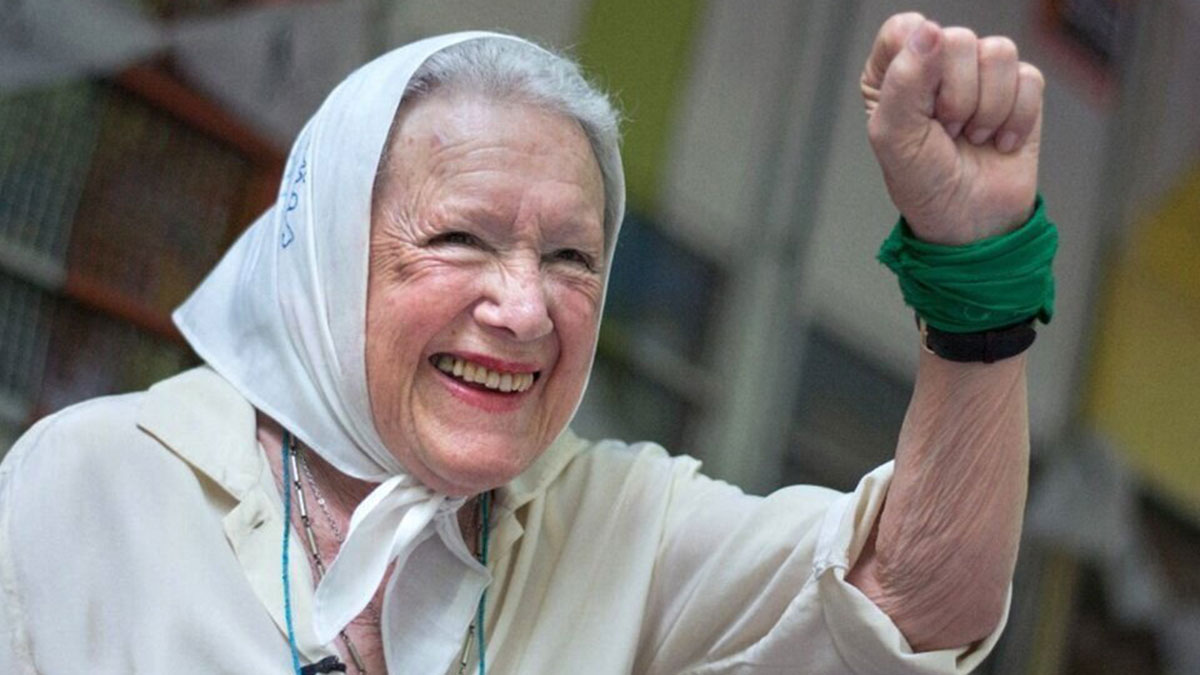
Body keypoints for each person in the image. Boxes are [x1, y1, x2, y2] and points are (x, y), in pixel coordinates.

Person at [0, 12, 1055, 674]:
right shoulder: (93, 483)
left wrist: (978, 277)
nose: (526, 307)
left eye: (571, 258)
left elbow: (916, 605)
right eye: (460, 239)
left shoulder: (617, 527)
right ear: (323, 263)